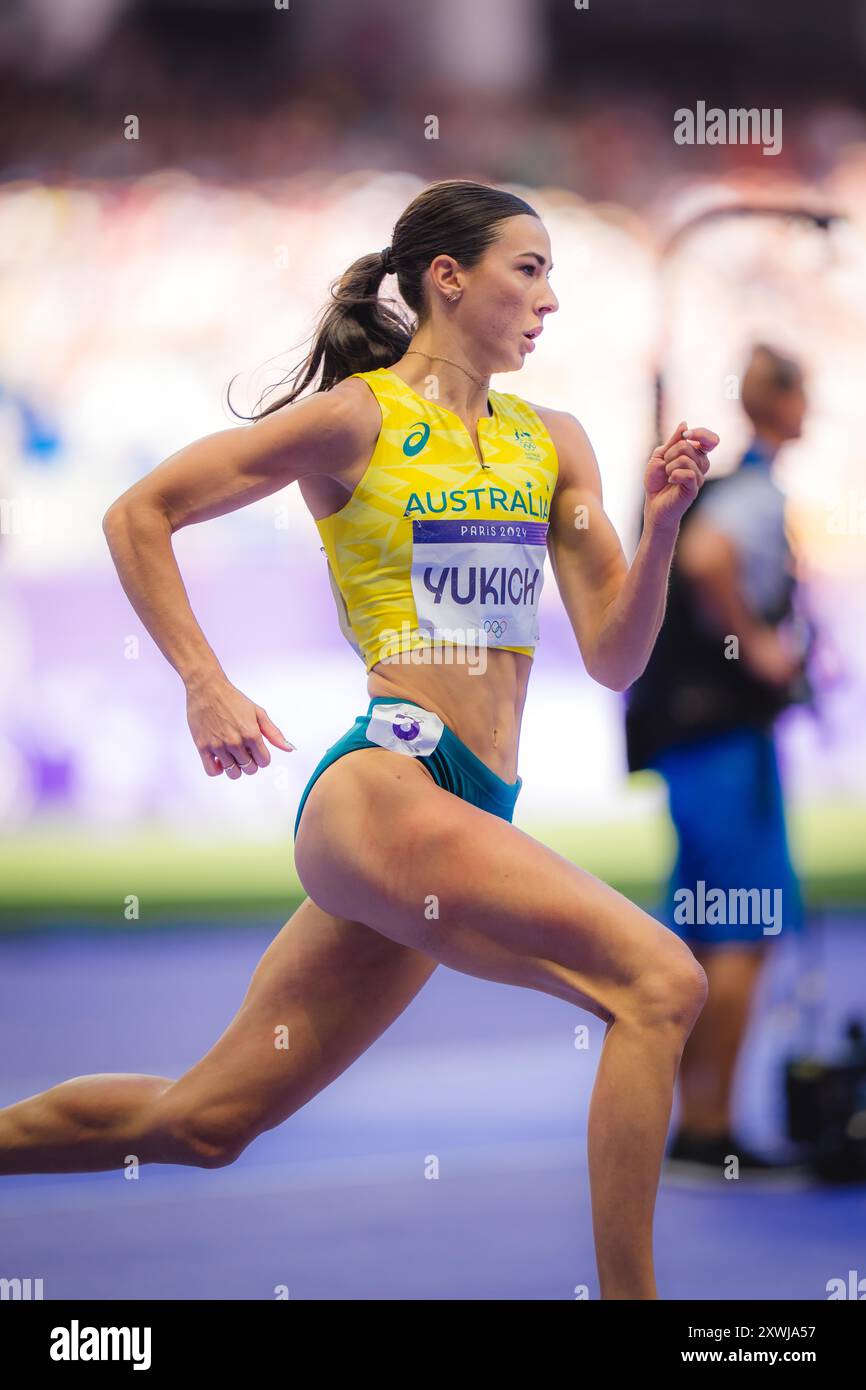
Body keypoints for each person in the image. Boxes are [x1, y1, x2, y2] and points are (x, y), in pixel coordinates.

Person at [0, 180, 719, 1300]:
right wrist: (203, 680)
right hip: (386, 786)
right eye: (527, 269)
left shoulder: (553, 444)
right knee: (659, 981)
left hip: (468, 806)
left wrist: (662, 525)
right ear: (447, 277)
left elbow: (614, 657)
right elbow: (138, 512)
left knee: (204, 1120)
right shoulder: (359, 418)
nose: (550, 299)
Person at [624, 344, 810, 1175]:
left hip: (689, 734)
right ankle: (706, 1126)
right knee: (745, 926)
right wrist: (763, 649)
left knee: (698, 930)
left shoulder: (723, 487)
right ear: (785, 403)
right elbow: (707, 562)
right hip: (723, 735)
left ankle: (686, 1120)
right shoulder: (750, 492)